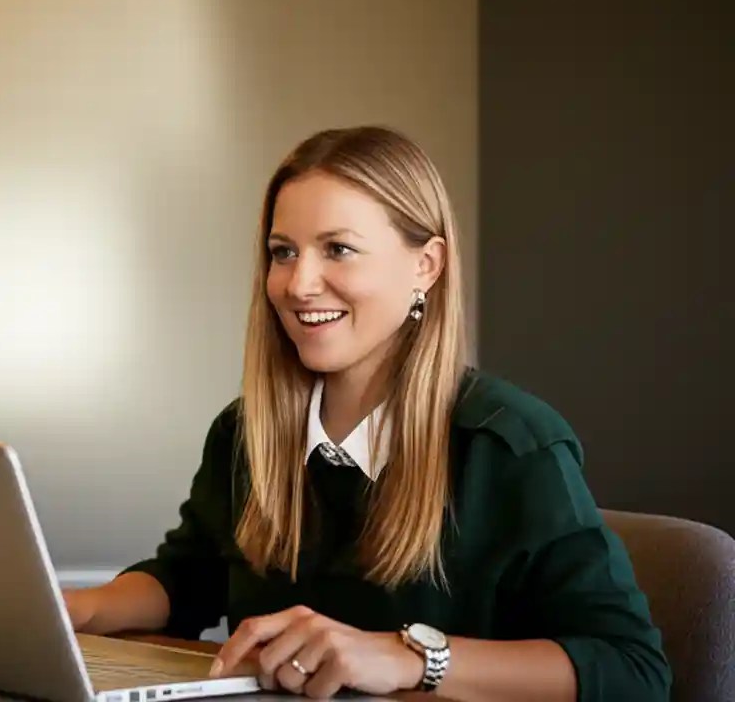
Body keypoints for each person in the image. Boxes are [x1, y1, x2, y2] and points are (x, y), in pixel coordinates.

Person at [62, 126, 670, 701]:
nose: (299, 284)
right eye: (282, 252)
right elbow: (185, 581)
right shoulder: (245, 433)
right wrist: (75, 608)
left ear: (425, 266)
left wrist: (408, 658)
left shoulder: (510, 445)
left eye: (339, 250)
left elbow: (632, 670)